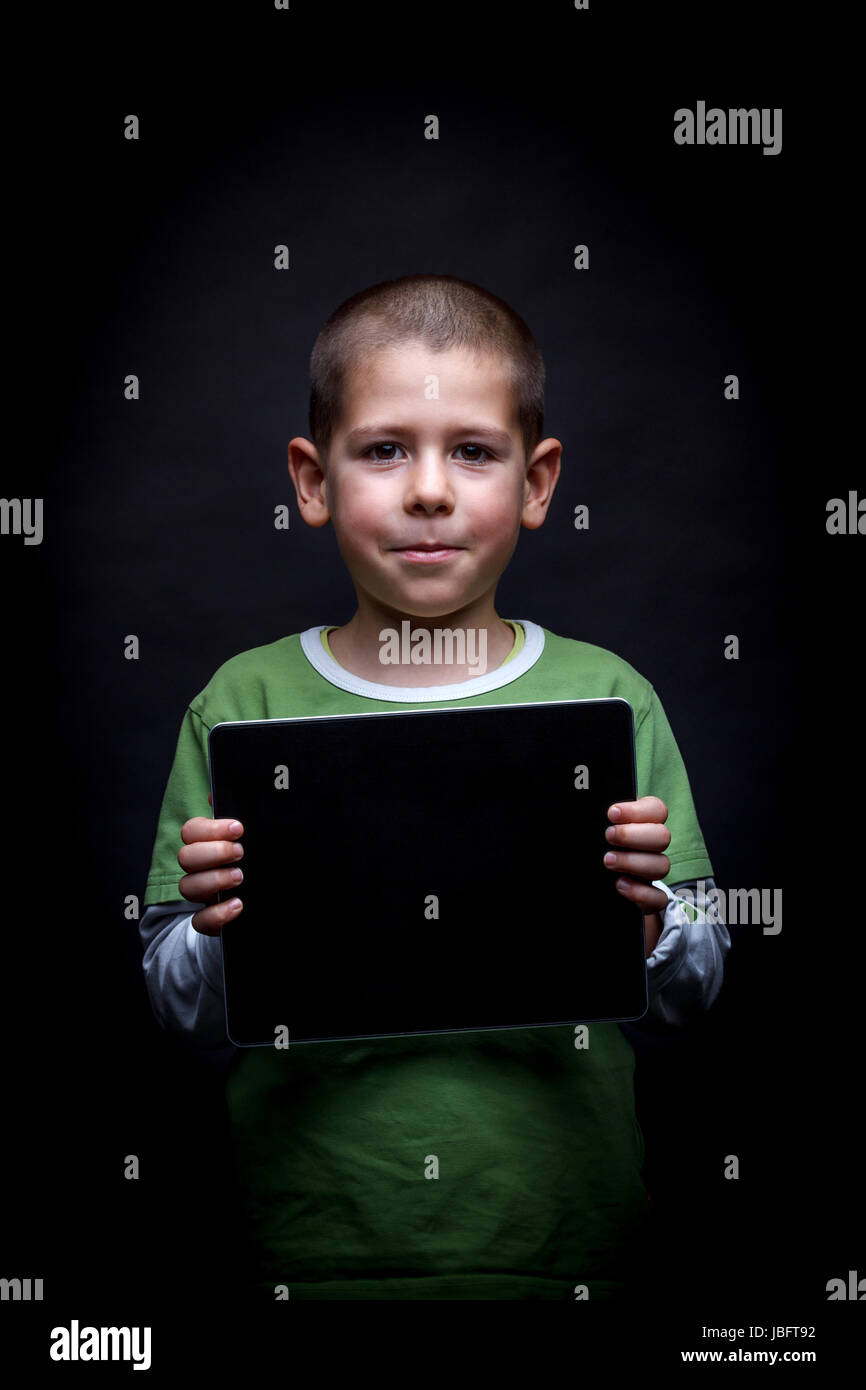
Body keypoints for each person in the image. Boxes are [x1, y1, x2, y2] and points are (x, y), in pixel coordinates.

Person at [139, 273, 730, 1301]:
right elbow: (178, 1004)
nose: (426, 490)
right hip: (304, 1247)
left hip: (563, 1244)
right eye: (381, 450)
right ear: (310, 478)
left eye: (471, 450)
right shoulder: (245, 699)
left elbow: (691, 990)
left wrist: (651, 929)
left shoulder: (607, 695)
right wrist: (213, 928)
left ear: (537, 482)